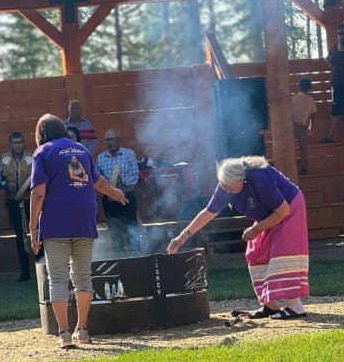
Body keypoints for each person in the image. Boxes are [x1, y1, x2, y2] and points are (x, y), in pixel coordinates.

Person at [167, 156, 309, 320]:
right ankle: (271, 306)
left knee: (283, 252)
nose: (225, 190)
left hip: (290, 208)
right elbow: (207, 214)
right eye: (223, 186)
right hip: (268, 215)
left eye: (229, 187)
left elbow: (283, 211)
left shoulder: (258, 177)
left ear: (242, 179)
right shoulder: (225, 185)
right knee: (255, 253)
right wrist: (182, 237)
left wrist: (256, 229)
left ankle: (295, 306)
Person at [28, 114, 127, 349]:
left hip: (56, 222)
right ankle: (82, 330)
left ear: (40, 134)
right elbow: (97, 182)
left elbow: (38, 193)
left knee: (58, 278)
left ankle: (63, 333)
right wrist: (115, 193)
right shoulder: (80, 149)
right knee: (83, 276)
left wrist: (33, 228)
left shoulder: (42, 152)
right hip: (84, 219)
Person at [96, 129, 142, 255]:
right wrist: (108, 187)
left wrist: (122, 181)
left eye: (112, 139)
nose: (109, 142)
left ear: (118, 139)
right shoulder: (101, 157)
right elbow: (97, 178)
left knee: (131, 226)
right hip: (109, 198)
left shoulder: (129, 154)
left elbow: (135, 176)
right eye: (107, 140)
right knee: (114, 229)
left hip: (126, 196)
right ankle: (119, 255)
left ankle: (135, 255)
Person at [0, 131, 33, 282]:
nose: (17, 145)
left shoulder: (32, 158)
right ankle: (24, 272)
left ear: (23, 143)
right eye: (14, 143)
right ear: (10, 144)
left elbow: (39, 179)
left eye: (19, 142)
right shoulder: (4, 159)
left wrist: (30, 187)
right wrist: (7, 185)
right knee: (20, 236)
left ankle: (40, 266)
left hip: (30, 201)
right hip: (13, 202)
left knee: (37, 234)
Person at [291, 77, 318, 175]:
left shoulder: (293, 98)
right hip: (301, 126)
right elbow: (313, 116)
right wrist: (310, 128)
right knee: (303, 148)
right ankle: (303, 166)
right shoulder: (311, 100)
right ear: (309, 88)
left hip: (290, 125)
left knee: (290, 147)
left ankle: (291, 166)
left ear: (299, 86)